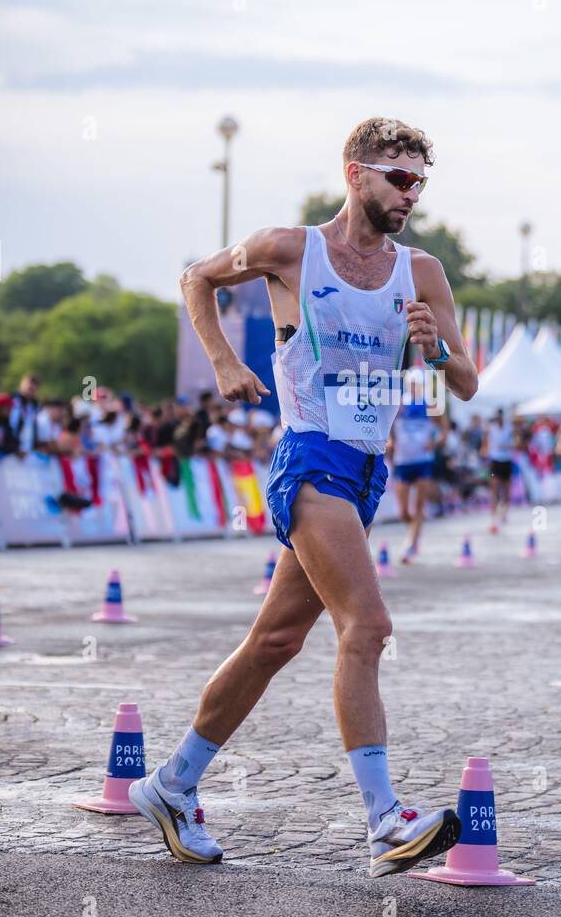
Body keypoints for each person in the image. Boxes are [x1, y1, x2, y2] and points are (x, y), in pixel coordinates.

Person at [129, 116, 478, 877]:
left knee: (275, 643)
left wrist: (437, 347)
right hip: (308, 458)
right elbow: (198, 276)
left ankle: (172, 784)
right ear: (355, 172)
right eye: (400, 176)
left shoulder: (422, 273)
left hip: (364, 472)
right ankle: (386, 818)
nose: (412, 194)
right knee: (369, 626)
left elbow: (467, 381)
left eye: (421, 180)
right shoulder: (292, 248)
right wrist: (223, 359)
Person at [389, 376, 438, 562]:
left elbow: (444, 429)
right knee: (403, 512)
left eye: (418, 383)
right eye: (412, 383)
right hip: (403, 461)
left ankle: (411, 543)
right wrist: (391, 441)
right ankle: (414, 531)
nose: (414, 386)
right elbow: (389, 426)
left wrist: (433, 443)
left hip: (423, 461)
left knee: (418, 506)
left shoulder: (430, 405)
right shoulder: (398, 404)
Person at [482, 408, 515, 533]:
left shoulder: (509, 428)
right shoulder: (491, 428)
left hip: (506, 460)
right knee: (494, 490)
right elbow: (485, 442)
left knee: (506, 490)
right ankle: (493, 517)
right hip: (495, 461)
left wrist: (508, 445)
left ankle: (504, 513)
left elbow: (516, 442)